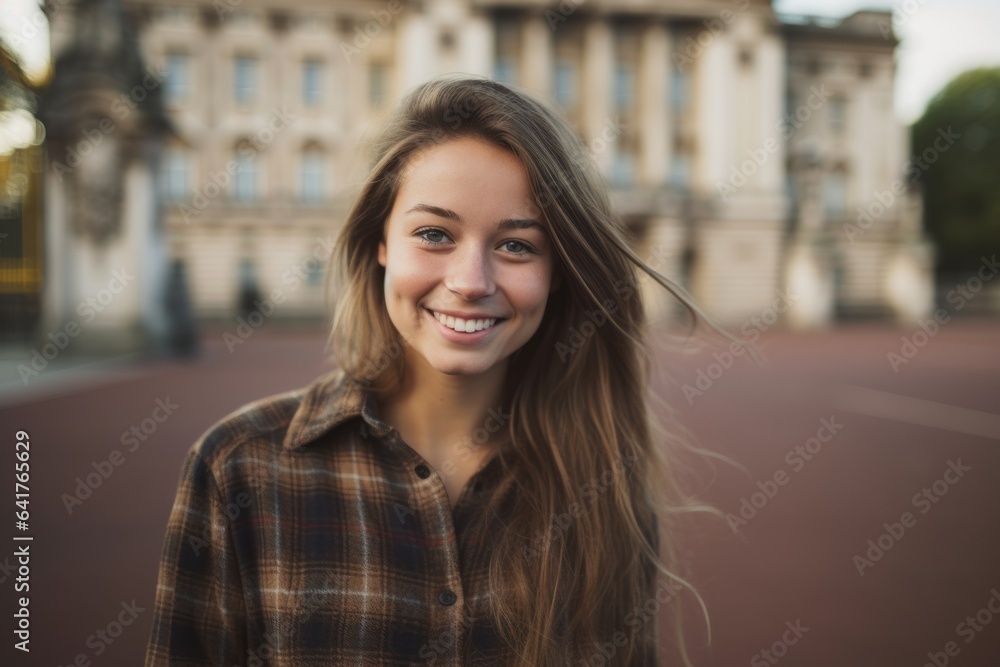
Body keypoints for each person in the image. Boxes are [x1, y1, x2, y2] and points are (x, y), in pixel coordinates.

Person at [144, 74, 744, 667]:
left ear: (558, 270)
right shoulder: (238, 468)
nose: (470, 282)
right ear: (380, 240)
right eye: (434, 234)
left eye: (516, 245)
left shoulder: (604, 483)